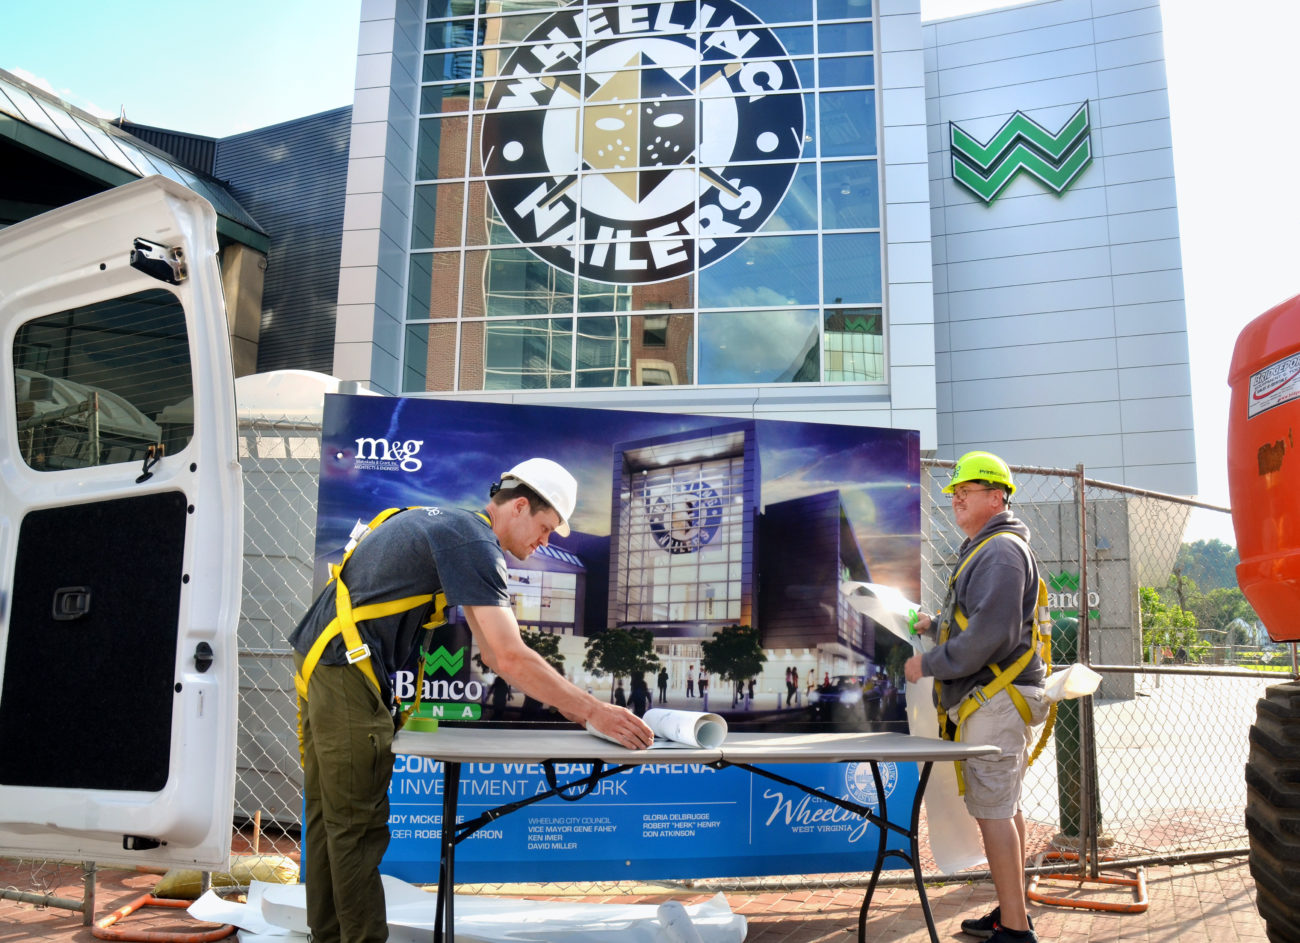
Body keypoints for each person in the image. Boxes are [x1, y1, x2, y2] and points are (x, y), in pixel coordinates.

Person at [290, 457, 653, 943]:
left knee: (330, 818)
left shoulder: (452, 527)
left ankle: (329, 936)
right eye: (545, 527)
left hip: (326, 661)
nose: (544, 541)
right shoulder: (474, 542)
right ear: (519, 506)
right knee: (356, 826)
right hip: (345, 671)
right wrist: (593, 711)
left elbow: (493, 651)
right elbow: (507, 655)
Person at [904, 451, 1048, 943]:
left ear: (997, 496)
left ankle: (1015, 931)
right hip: (996, 697)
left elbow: (990, 636)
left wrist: (928, 663)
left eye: (967, 490)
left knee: (994, 812)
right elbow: (981, 623)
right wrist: (933, 626)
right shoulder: (987, 549)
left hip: (996, 699)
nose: (956, 498)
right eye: (955, 492)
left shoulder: (1000, 551)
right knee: (1004, 807)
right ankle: (1014, 912)